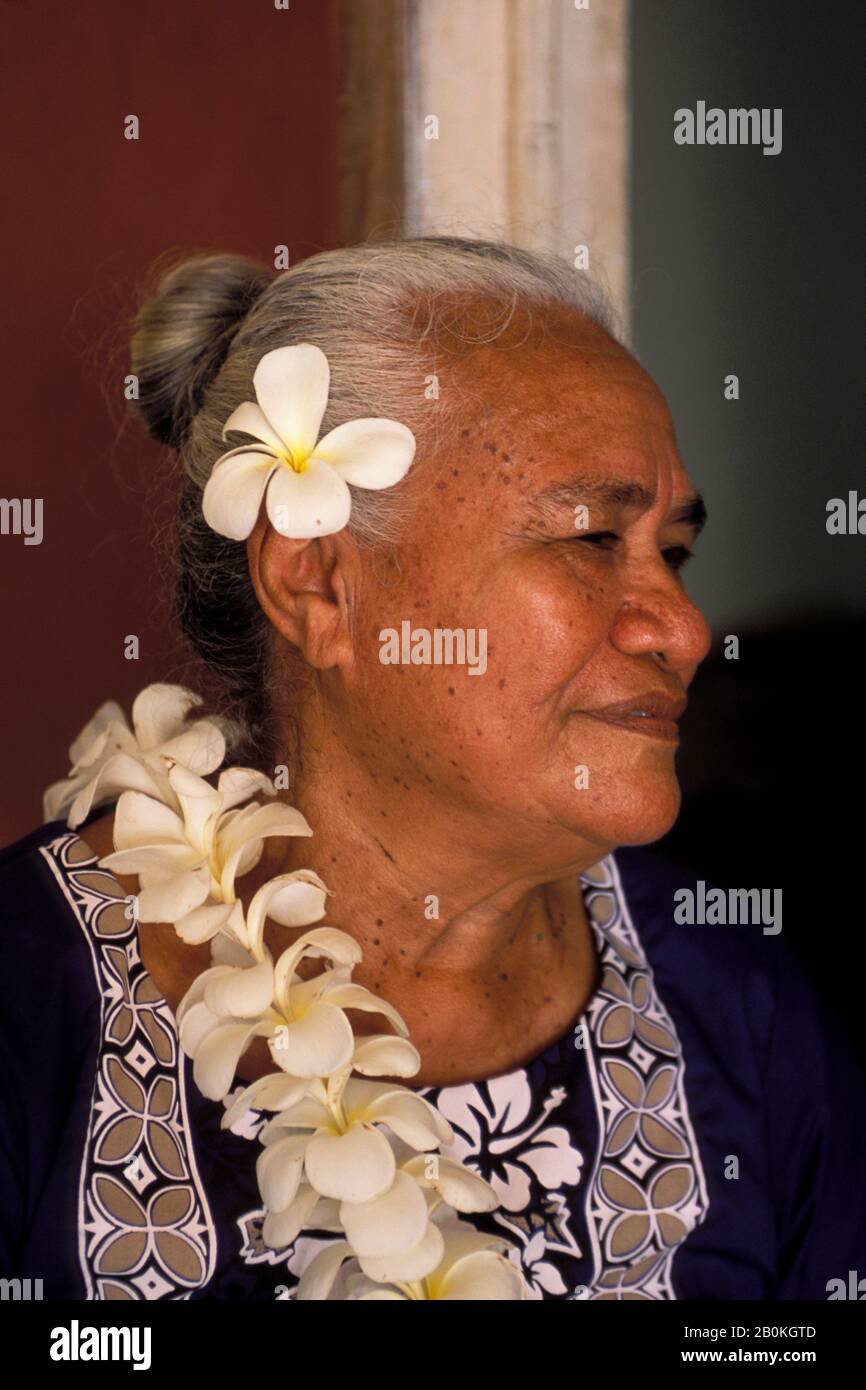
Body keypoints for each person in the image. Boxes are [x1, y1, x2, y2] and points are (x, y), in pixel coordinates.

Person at [1, 236, 864, 1300]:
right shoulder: (26, 1005)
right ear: (319, 585)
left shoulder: (739, 1005)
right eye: (592, 538)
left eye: (670, 554)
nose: (682, 630)